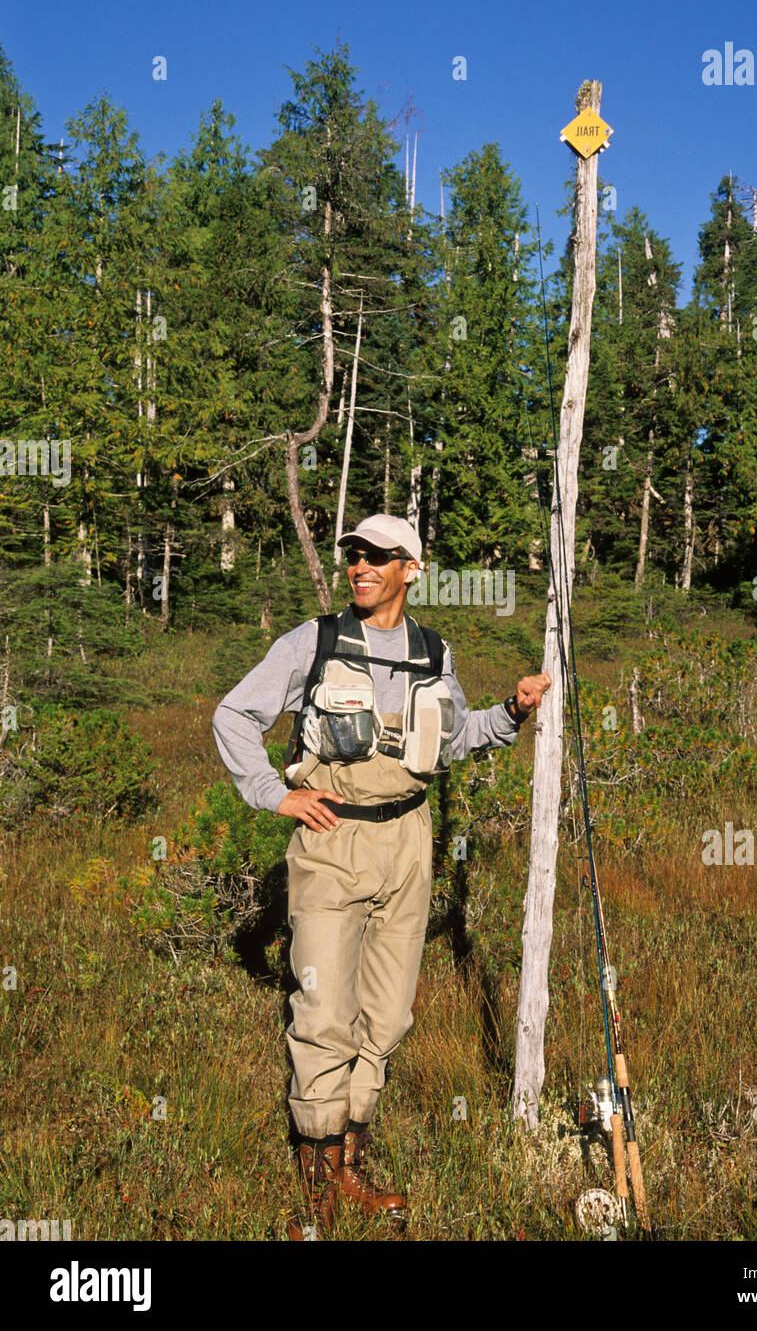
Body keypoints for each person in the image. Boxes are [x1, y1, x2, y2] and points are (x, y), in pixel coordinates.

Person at [212, 515, 550, 1233]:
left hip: (409, 841)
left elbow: (456, 737)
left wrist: (515, 712)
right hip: (332, 842)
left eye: (377, 556)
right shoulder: (316, 640)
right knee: (324, 1011)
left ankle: (352, 1149)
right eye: (353, 555)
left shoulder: (433, 651)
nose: (360, 566)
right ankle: (317, 1162)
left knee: (389, 1015)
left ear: (411, 569)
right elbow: (234, 715)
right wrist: (277, 794)